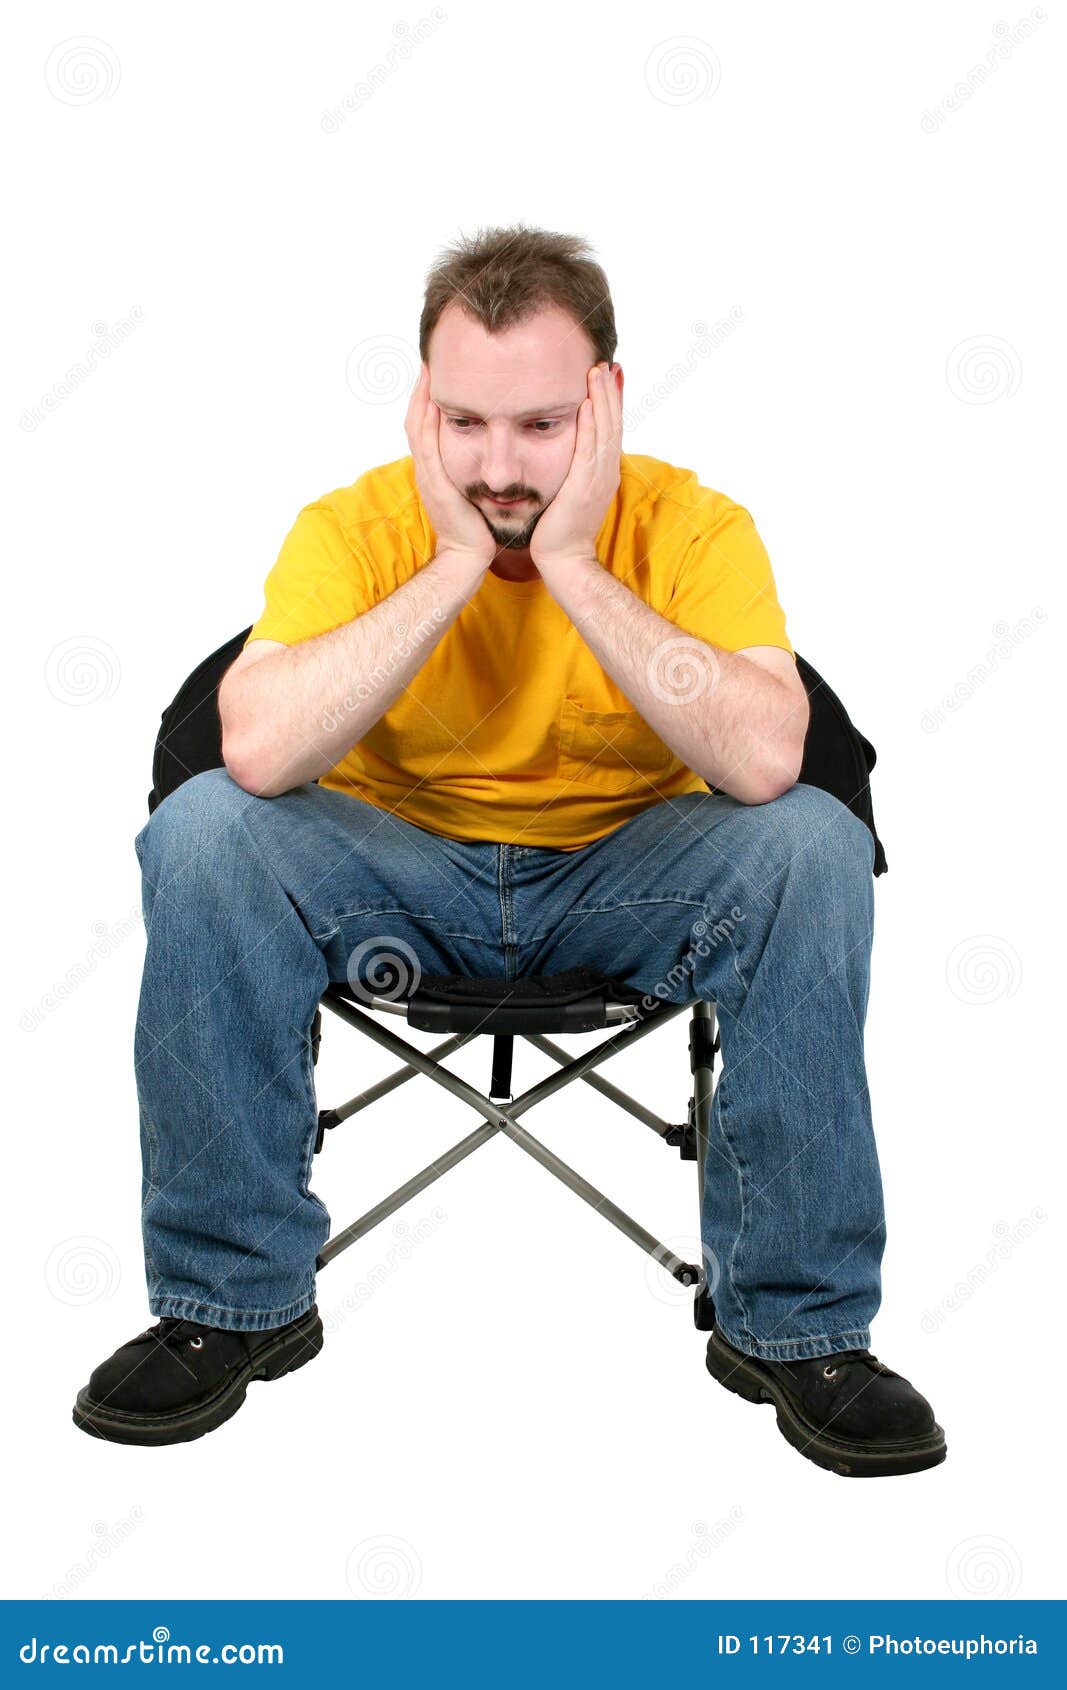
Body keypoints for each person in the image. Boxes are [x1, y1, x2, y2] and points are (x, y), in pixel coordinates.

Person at [73, 224, 945, 1475]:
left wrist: (575, 562)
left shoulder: (691, 528)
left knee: (806, 842)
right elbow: (252, 756)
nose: (498, 464)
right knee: (206, 830)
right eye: (466, 423)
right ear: (421, 407)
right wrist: (455, 563)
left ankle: (794, 1328)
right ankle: (231, 1307)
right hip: (390, 883)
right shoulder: (354, 526)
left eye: (540, 425)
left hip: (628, 885)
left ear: (606, 400)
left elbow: (763, 762)